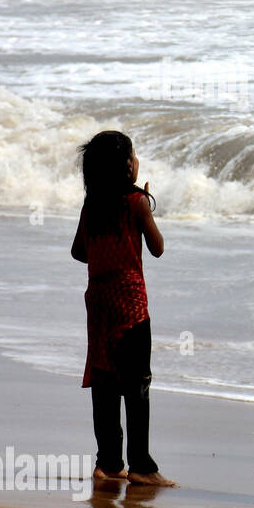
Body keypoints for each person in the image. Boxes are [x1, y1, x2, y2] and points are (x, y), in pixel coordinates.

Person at [70, 131, 176, 487]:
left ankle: (109, 462)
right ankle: (142, 465)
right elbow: (158, 247)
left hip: (98, 301)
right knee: (137, 383)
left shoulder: (92, 204)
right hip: (130, 303)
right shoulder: (136, 201)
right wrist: (145, 201)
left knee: (104, 380)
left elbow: (78, 252)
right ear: (127, 165)